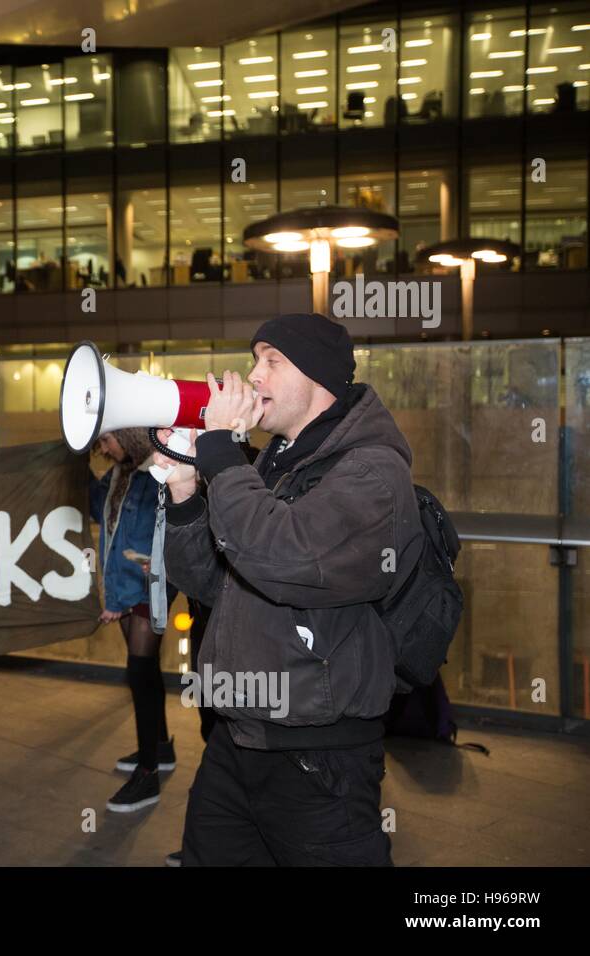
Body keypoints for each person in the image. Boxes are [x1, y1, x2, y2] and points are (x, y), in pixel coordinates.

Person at [157, 313, 422, 866]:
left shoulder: (370, 473)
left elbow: (287, 559)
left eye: (272, 361)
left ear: (319, 379)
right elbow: (208, 581)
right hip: (238, 736)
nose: (255, 376)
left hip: (317, 753)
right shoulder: (278, 465)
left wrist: (220, 452)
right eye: (255, 359)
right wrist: (185, 491)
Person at [88, 427, 175, 814]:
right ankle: (160, 747)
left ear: (128, 434)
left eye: (108, 439)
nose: (104, 447)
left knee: (138, 672)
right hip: (128, 587)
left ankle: (147, 775)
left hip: (145, 587)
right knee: (147, 669)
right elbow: (99, 512)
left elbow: (140, 548)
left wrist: (119, 601)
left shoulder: (152, 474)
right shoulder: (122, 471)